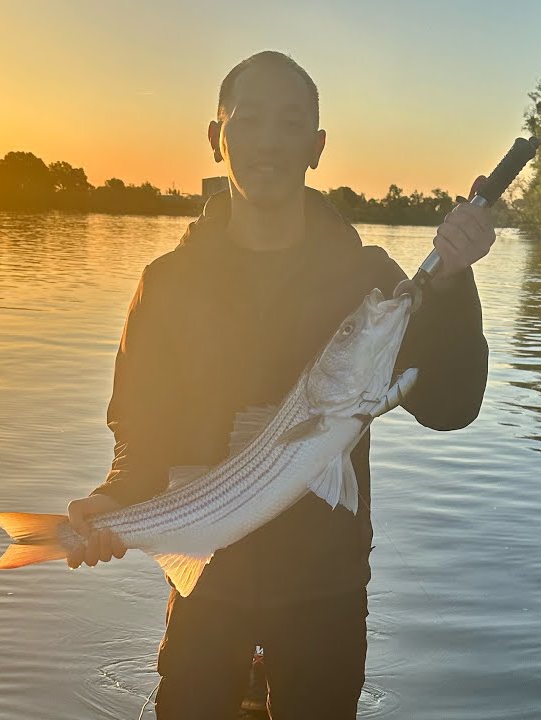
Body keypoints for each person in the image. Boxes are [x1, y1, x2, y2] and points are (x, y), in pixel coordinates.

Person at [65, 50, 494, 719]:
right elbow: (142, 433)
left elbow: (451, 407)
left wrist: (454, 284)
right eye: (250, 121)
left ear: (317, 147)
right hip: (207, 587)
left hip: (326, 590)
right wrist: (112, 500)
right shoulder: (168, 284)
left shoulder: (369, 282)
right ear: (218, 137)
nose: (268, 141)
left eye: (290, 124)